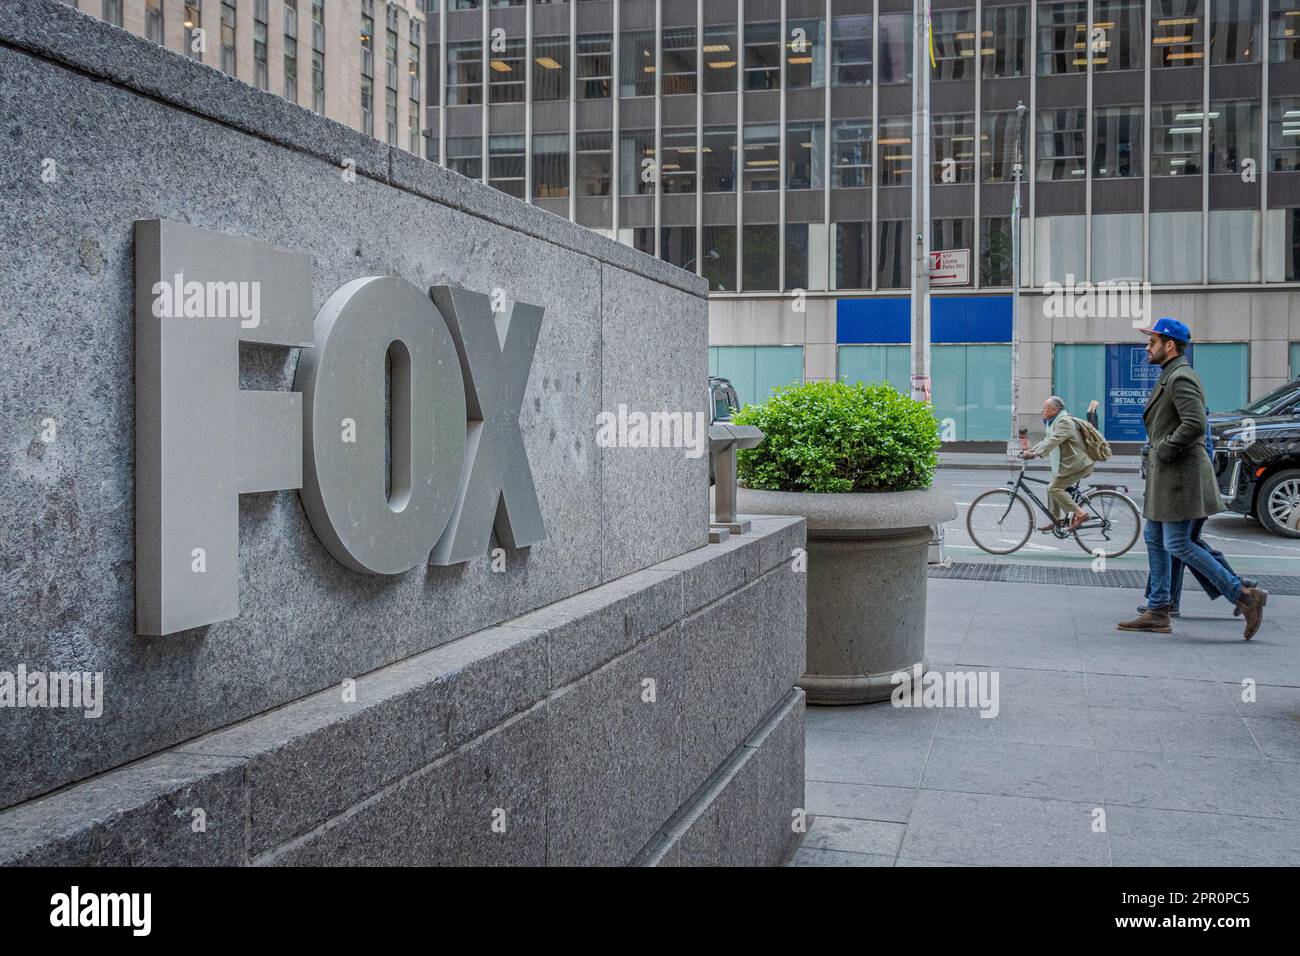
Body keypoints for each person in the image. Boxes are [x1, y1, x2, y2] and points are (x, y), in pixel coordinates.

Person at [1119, 318, 1268, 639]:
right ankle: (1158, 609)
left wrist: (1163, 449)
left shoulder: (1181, 377)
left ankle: (1243, 596)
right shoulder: (1170, 376)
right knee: (1155, 538)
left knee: (1178, 542)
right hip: (1168, 476)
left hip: (1180, 476)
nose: (1147, 348)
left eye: (1152, 342)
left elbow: (1195, 423)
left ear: (1169, 345)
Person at [1135, 411, 1257, 617]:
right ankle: (1165, 601)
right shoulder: (1176, 409)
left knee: (1179, 544)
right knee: (1181, 543)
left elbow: (1201, 451)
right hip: (1179, 489)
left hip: (1187, 491)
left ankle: (1236, 588)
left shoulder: (1185, 407)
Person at [1023, 396, 1092, 533]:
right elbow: (1047, 440)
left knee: (1055, 488)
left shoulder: (1064, 422)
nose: (1042, 410)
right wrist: (1032, 450)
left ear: (1054, 410)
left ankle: (1080, 513)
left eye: (1045, 408)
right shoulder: (1054, 421)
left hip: (1077, 465)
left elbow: (1054, 440)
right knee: (1052, 488)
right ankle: (1055, 519)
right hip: (1067, 464)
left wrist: (1036, 454)